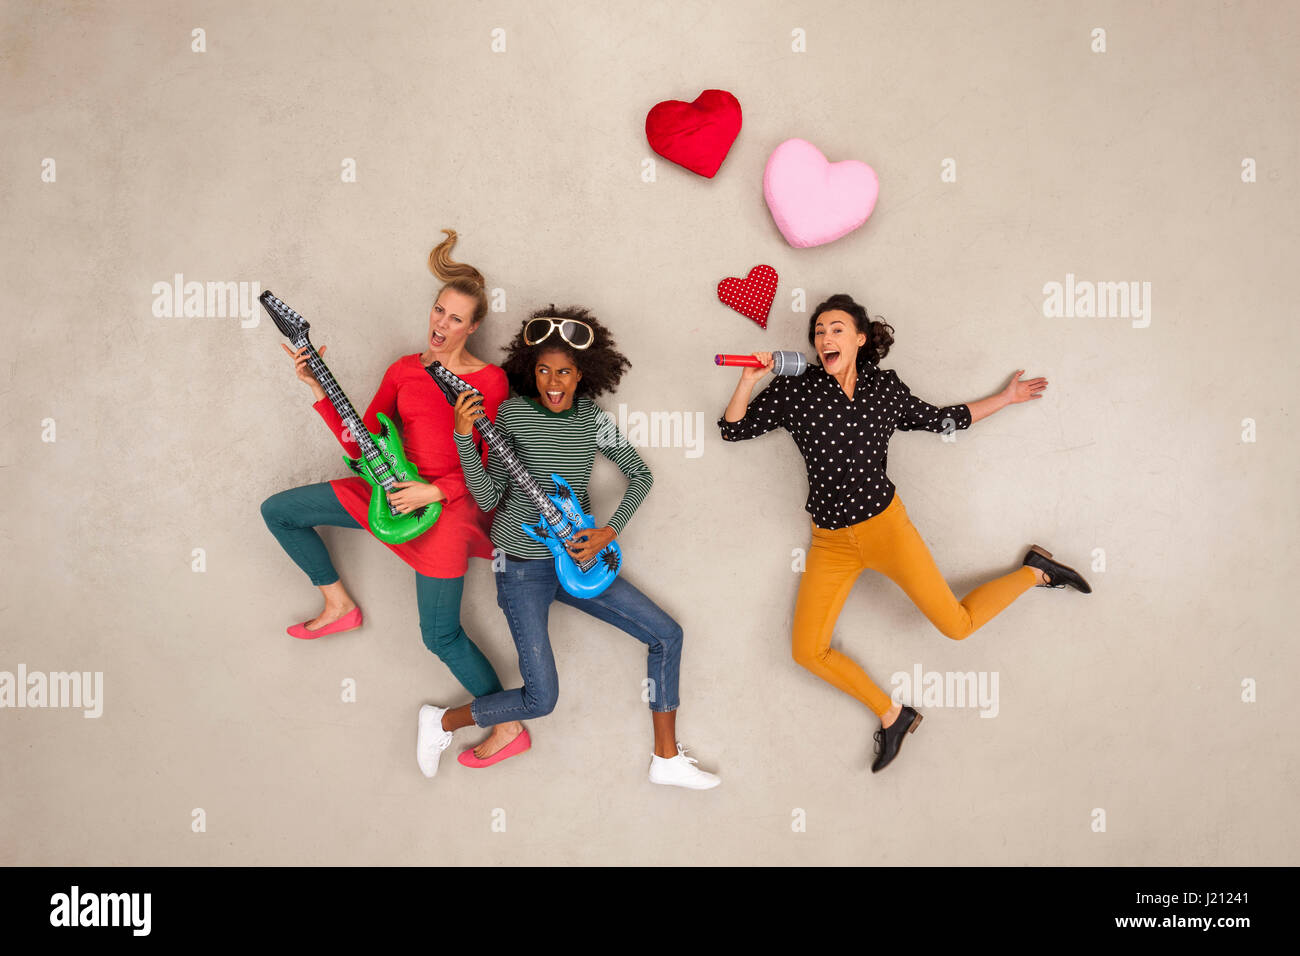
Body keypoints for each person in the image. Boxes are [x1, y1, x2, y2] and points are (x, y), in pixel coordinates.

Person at [717, 293, 1091, 773]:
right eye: (818, 332)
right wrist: (748, 381)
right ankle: (893, 715)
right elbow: (733, 430)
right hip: (831, 542)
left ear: (858, 337)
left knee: (956, 626)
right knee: (807, 651)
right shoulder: (797, 390)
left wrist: (1006, 397)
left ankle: (1035, 573)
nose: (824, 338)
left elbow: (942, 420)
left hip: (886, 529)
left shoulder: (884, 389)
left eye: (835, 329)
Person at [414, 306, 720, 789]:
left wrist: (609, 530)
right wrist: (463, 437)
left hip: (579, 561)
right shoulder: (512, 413)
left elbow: (640, 475)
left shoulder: (592, 421)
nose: (552, 381)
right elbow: (490, 496)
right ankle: (442, 722)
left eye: (563, 371)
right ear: (529, 371)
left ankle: (665, 758)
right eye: (542, 370)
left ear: (583, 374)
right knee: (542, 698)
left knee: (667, 635)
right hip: (520, 569)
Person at [260, 229, 526, 766]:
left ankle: (509, 726)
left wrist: (435, 488)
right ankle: (338, 604)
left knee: (441, 636)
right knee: (280, 511)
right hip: (386, 487)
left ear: (473, 327)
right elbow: (366, 439)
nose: (440, 324)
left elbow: (496, 466)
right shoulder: (404, 369)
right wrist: (317, 389)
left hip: (449, 509)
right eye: (437, 311)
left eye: (455, 318)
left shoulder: (490, 382)